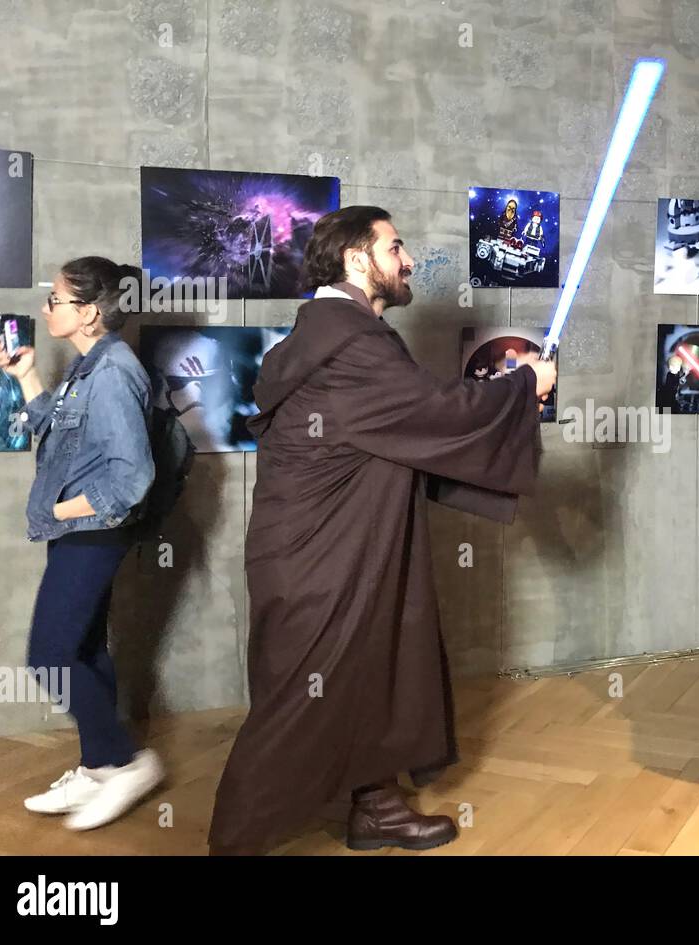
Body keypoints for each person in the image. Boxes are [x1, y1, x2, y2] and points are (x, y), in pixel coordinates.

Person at [208, 206, 556, 855]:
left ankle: (377, 808)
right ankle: (232, 843)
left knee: (374, 666)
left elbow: (406, 427)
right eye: (395, 246)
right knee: (296, 707)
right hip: (320, 562)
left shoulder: (327, 334)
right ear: (355, 258)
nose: (409, 259)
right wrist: (522, 385)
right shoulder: (351, 342)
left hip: (337, 548)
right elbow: (437, 414)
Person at [0, 257, 163, 831]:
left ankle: (125, 761)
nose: (47, 309)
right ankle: (97, 765)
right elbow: (59, 430)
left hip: (91, 533)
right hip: (77, 534)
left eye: (57, 300)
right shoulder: (91, 366)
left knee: (50, 655)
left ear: (89, 312)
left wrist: (58, 508)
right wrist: (26, 374)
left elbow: (130, 476)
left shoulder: (113, 371)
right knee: (85, 649)